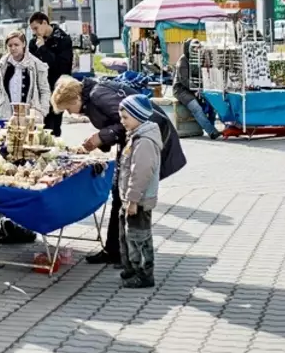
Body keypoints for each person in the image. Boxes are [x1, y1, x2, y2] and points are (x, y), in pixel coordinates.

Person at [51, 75, 186, 265]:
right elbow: (116, 124)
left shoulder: (98, 95)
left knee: (126, 197)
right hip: (135, 145)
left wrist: (101, 137)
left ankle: (126, 255)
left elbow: (128, 122)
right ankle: (117, 250)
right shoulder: (95, 95)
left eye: (67, 109)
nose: (71, 114)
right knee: (119, 196)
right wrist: (100, 139)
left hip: (143, 146)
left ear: (75, 99)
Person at [116, 94, 161, 289]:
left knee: (138, 237)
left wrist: (132, 200)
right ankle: (130, 268)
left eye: (125, 117)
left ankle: (143, 273)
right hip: (132, 199)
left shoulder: (144, 141)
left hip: (139, 201)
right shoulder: (136, 137)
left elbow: (140, 173)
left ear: (138, 116)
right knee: (128, 235)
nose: (122, 121)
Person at [29, 12, 74, 136]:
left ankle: (54, 150)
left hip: (57, 86)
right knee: (40, 124)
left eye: (36, 28)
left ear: (44, 23)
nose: (34, 32)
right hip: (40, 88)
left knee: (54, 125)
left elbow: (62, 66)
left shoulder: (63, 39)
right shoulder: (34, 43)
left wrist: (43, 49)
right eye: (32, 29)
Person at [0, 30, 50, 119]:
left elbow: (44, 90)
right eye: (10, 45)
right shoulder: (2, 64)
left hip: (31, 116)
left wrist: (42, 111)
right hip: (6, 114)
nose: (13, 48)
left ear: (23, 44)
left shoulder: (36, 64)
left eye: (16, 45)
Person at [172, 49, 220, 139]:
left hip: (195, 88)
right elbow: (184, 80)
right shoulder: (183, 61)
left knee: (212, 104)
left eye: (198, 47)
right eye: (194, 47)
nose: (196, 50)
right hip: (181, 90)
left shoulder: (197, 59)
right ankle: (211, 131)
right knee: (196, 108)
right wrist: (195, 89)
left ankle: (212, 127)